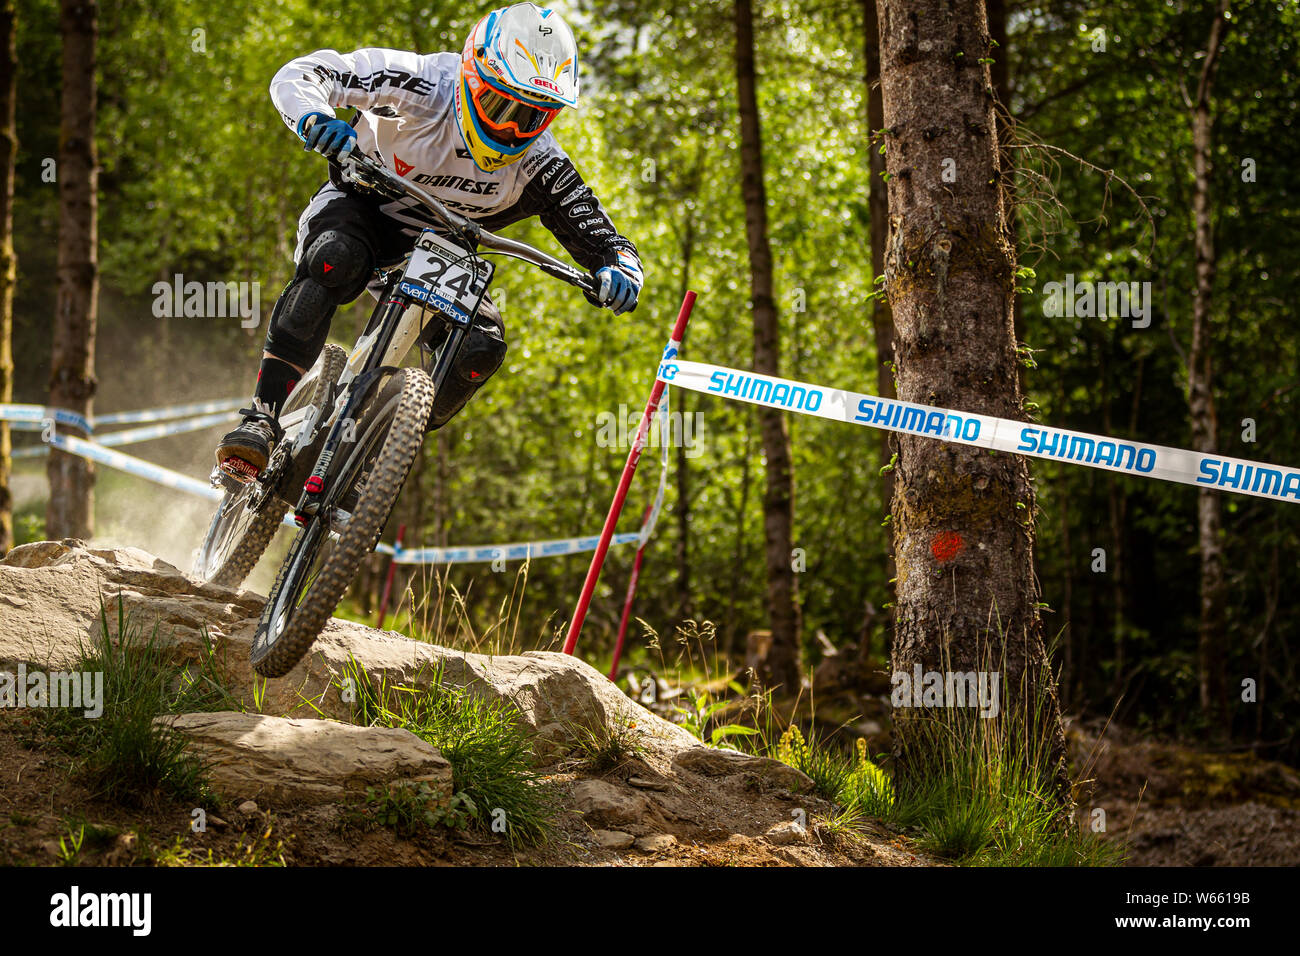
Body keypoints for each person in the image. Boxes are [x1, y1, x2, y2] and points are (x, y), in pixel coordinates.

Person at [216, 2, 643, 480]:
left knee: (480, 347)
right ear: (472, 78)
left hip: (443, 253)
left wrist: (620, 266)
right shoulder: (417, 83)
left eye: (533, 119)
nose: (511, 129)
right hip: (360, 210)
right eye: (502, 106)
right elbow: (303, 73)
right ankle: (262, 414)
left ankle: (372, 455)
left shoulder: (540, 162)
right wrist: (313, 118)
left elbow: (597, 229)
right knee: (336, 259)